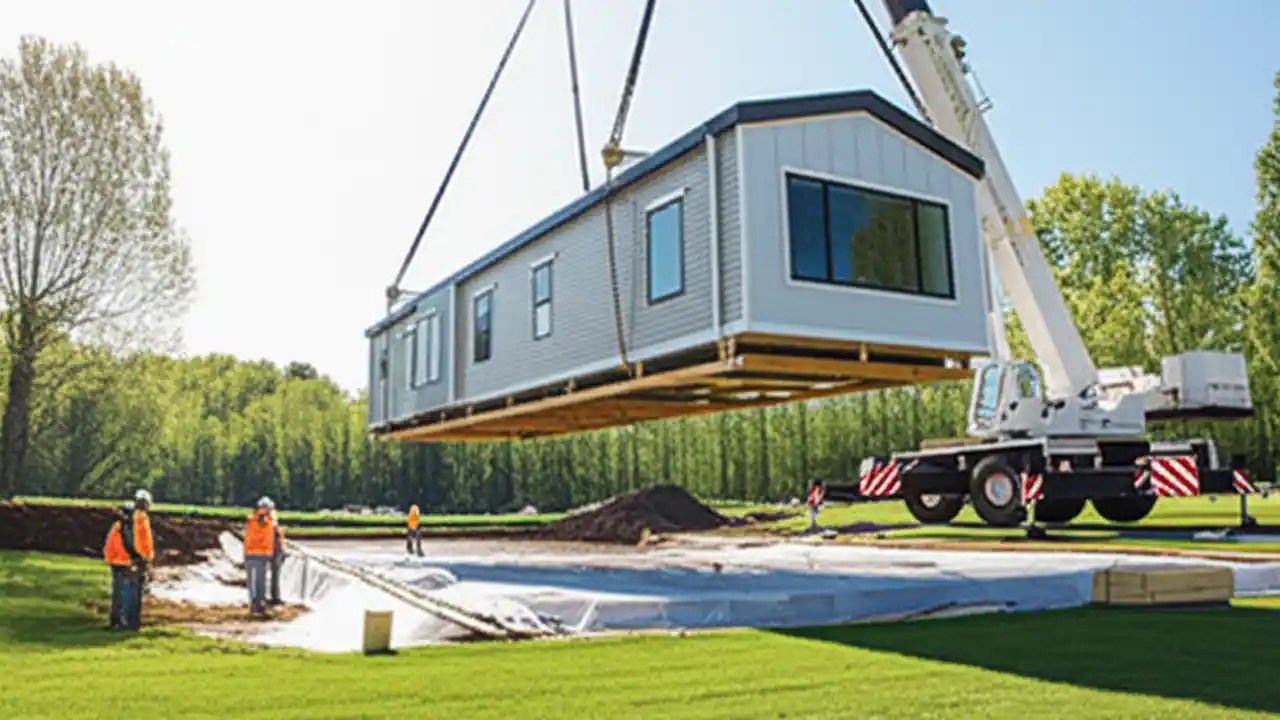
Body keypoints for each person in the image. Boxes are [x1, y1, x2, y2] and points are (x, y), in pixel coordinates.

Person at [102, 504, 139, 630]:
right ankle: (122, 622)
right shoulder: (126, 527)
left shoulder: (116, 526)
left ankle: (115, 620)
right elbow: (128, 545)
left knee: (117, 593)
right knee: (124, 593)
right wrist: (137, 557)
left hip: (115, 561)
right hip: (123, 562)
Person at [243, 497, 276, 615]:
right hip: (259, 554)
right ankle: (258, 604)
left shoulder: (252, 520)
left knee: (253, 581)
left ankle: (255, 603)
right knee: (259, 581)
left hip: (251, 553)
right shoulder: (265, 521)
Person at [128, 489, 155, 628]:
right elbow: (140, 541)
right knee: (135, 590)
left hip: (139, 557)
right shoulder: (139, 518)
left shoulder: (137, 517)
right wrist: (144, 558)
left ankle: (131, 620)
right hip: (139, 558)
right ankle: (132, 621)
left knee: (134, 589)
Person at [268, 509, 286, 607]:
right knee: (275, 577)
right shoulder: (273, 529)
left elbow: (281, 542)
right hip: (274, 553)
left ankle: (274, 597)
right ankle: (275, 598)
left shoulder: (275, 529)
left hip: (276, 552)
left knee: (275, 577)